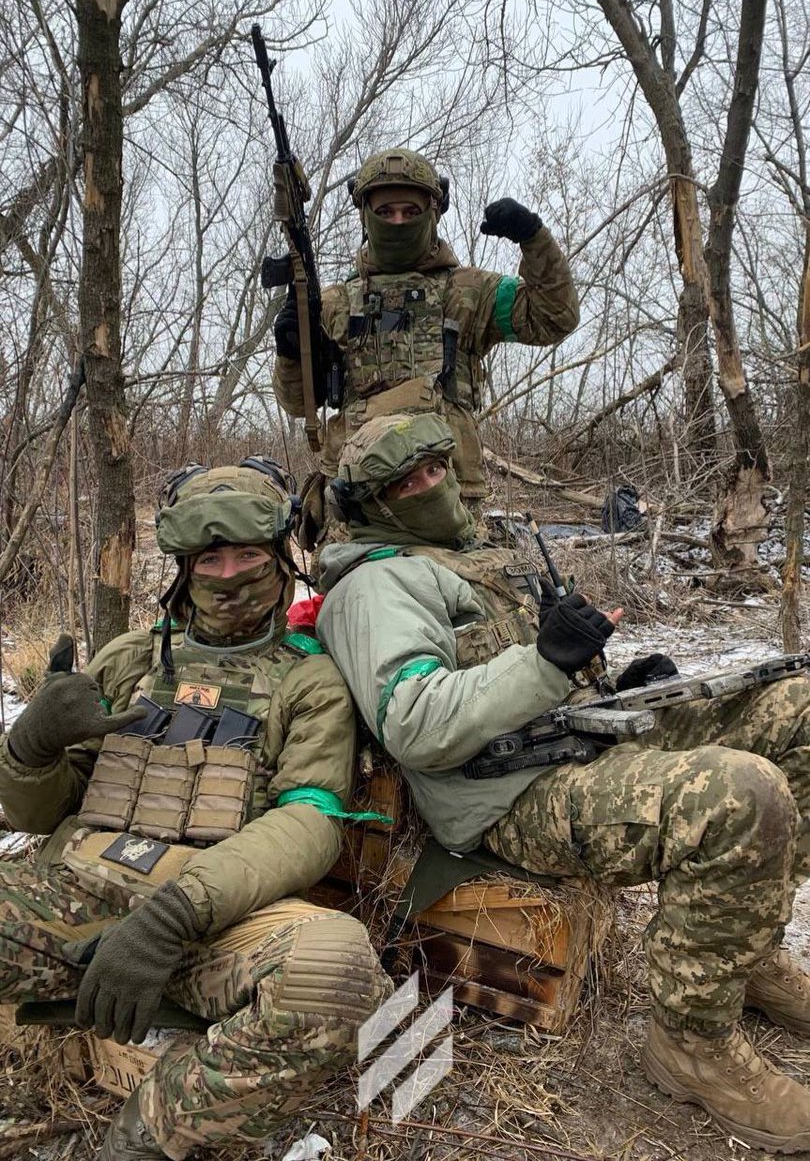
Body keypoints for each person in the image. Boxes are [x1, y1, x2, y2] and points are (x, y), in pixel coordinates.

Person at [315, 412, 810, 1155]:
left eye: (435, 468)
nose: (429, 487)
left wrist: (612, 685)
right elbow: (415, 721)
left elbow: (519, 670)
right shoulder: (375, 588)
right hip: (505, 797)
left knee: (797, 710)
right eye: (403, 483)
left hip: (575, 739)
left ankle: (745, 954)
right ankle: (691, 1043)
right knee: (739, 794)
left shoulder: (465, 558)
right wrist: (545, 663)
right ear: (371, 502)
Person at [0, 458, 390, 1161]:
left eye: (247, 554)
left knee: (337, 971)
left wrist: (176, 914)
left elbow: (309, 821)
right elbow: (43, 811)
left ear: (279, 558)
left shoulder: (310, 680)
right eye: (209, 557)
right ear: (183, 565)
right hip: (73, 895)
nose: (229, 573)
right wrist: (31, 752)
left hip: (215, 922)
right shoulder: (127, 661)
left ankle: (147, 1141)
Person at [272, 147, 579, 509]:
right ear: (365, 216)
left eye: (410, 211)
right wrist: (291, 352)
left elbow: (554, 318)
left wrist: (533, 238)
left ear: (433, 213)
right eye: (385, 212)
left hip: (448, 499)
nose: (398, 222)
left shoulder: (470, 293)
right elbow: (297, 403)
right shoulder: (336, 303)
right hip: (356, 499)